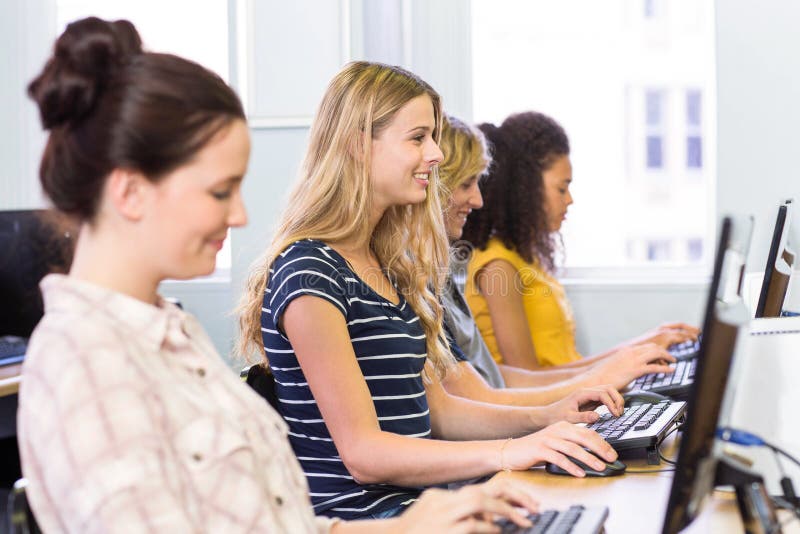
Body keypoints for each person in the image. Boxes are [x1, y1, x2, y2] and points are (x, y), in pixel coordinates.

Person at [17, 17, 540, 533]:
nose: (239, 216)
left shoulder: (170, 336)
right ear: (129, 191)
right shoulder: (86, 365)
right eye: (219, 192)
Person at [238, 61, 619, 522]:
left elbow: (437, 412)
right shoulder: (309, 273)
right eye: (418, 138)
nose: (436, 154)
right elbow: (363, 453)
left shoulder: (389, 266)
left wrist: (549, 417)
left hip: (422, 510)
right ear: (359, 144)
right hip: (374, 520)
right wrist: (508, 452)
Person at [437, 114, 681, 402]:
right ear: (526, 188)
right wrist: (617, 364)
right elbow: (519, 377)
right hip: (544, 405)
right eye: (561, 188)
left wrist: (629, 358)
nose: (569, 200)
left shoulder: (526, 259)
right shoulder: (497, 265)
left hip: (558, 398)